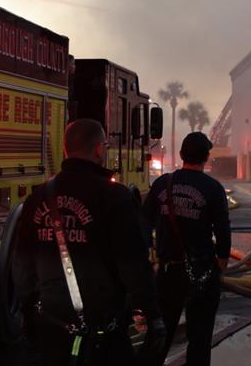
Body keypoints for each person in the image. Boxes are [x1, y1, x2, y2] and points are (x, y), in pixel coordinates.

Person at [12, 119, 165, 366]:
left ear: (66, 150)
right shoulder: (115, 196)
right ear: (98, 149)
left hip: (51, 327)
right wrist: (152, 315)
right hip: (103, 333)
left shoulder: (38, 197)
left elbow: (22, 264)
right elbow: (133, 264)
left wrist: (28, 310)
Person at [142, 131, 231, 366]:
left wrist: (149, 258)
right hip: (202, 272)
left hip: (168, 272)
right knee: (199, 339)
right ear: (207, 157)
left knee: (160, 333)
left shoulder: (163, 184)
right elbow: (223, 231)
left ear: (181, 155)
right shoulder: (213, 188)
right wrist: (220, 266)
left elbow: (143, 223)